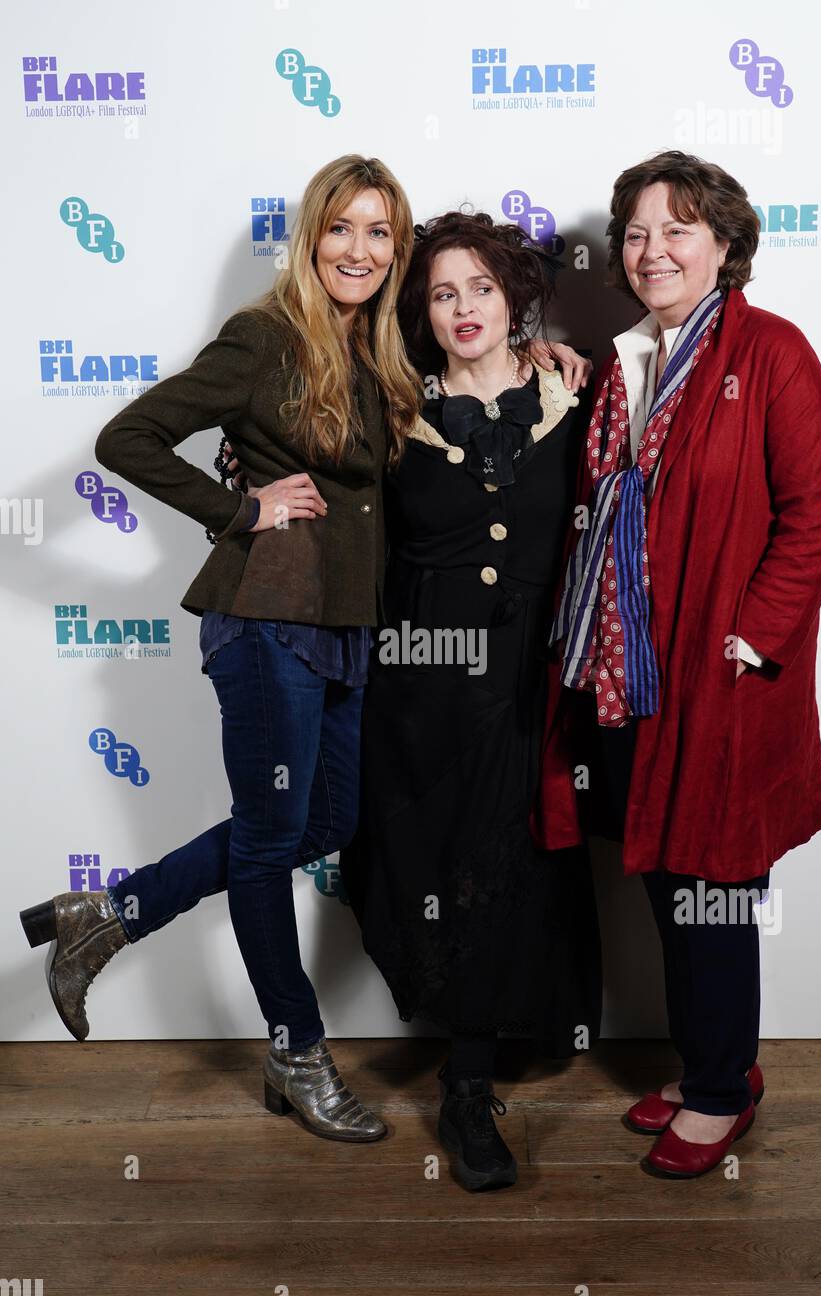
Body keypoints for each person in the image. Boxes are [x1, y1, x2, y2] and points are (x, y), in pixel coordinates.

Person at [21, 155, 585, 1147]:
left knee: (325, 816)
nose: (359, 250)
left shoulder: (377, 353)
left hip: (345, 631)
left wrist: (549, 357)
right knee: (276, 836)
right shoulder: (266, 335)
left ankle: (106, 913)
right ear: (312, 237)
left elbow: (449, 416)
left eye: (380, 234)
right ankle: (297, 1046)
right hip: (267, 618)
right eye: (342, 229)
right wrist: (241, 505)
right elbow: (130, 438)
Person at [536, 151, 821, 1177]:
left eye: (677, 228)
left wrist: (750, 638)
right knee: (672, 882)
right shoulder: (625, 358)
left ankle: (721, 1090)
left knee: (714, 882)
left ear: (724, 243)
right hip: (630, 672)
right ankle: (720, 1059)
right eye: (635, 230)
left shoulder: (773, 351)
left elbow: (817, 517)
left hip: (721, 678)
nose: (652, 248)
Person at [339, 212, 603, 1193]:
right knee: (437, 865)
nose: (463, 308)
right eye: (443, 293)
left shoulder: (571, 394)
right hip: (422, 689)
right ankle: (469, 1062)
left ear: (513, 298)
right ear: (423, 309)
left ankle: (470, 1081)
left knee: (509, 865)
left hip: (532, 688)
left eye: (481, 289)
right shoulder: (394, 412)